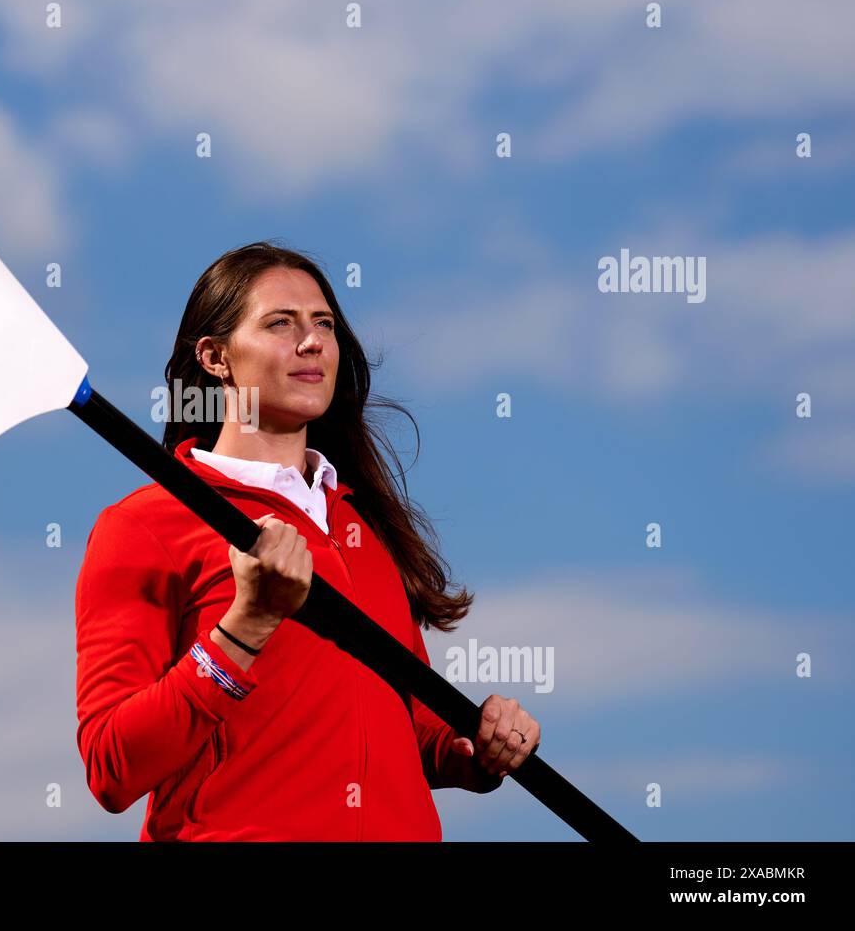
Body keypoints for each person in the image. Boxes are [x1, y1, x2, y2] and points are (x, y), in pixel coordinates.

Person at [73, 241, 542, 840]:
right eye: (280, 324)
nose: (313, 341)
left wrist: (477, 746)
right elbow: (112, 767)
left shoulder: (363, 530)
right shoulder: (145, 525)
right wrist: (244, 629)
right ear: (216, 357)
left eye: (323, 324)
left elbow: (413, 728)